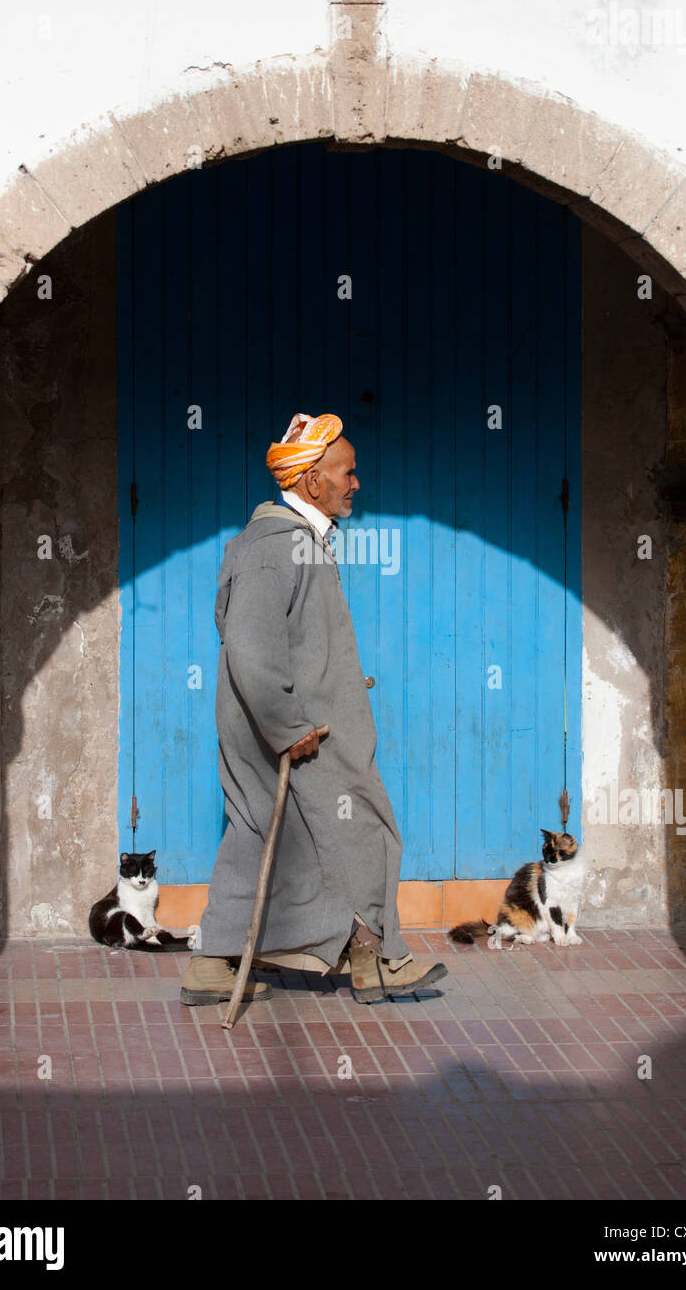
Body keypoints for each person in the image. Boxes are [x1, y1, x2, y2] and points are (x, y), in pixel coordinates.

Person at [180, 412, 447, 1006]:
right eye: (346, 473)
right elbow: (249, 643)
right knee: (364, 826)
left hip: (283, 725)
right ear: (311, 482)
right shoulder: (279, 548)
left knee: (257, 835)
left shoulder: (293, 544)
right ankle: (373, 959)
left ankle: (211, 965)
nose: (356, 483)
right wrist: (288, 727)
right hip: (296, 730)